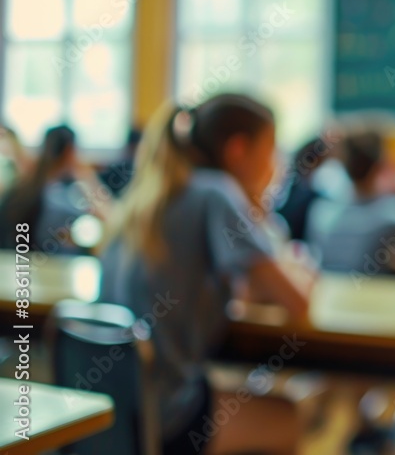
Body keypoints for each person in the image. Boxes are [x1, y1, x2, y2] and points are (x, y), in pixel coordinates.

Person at [99, 94, 314, 455]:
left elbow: (242, 286)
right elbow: (296, 298)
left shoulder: (149, 194)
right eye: (271, 150)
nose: (277, 166)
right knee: (292, 414)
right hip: (165, 416)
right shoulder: (216, 192)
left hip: (113, 411)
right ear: (238, 149)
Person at [307, 128, 395, 275]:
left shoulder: (320, 211)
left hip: (332, 295)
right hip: (372, 295)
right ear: (382, 166)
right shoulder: (392, 212)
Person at [0, 125, 109, 253]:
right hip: (49, 267)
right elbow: (112, 220)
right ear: (70, 151)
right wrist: (87, 176)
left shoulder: (27, 185)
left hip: (16, 263)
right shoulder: (58, 196)